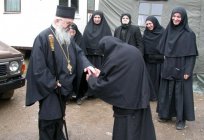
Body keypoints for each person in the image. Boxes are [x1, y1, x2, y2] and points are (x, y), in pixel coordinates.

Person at [25, 5, 95, 140]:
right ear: (57, 21)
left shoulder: (65, 36)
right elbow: (38, 67)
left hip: (63, 87)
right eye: (68, 23)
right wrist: (52, 83)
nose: (70, 27)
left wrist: (87, 66)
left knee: (59, 116)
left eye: (71, 24)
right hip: (50, 88)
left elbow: (78, 53)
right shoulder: (43, 37)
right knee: (49, 118)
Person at [86, 36, 156, 140]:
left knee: (126, 131)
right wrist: (101, 74)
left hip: (126, 104)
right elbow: (120, 75)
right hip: (141, 96)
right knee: (140, 129)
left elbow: (108, 84)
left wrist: (91, 79)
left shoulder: (114, 57)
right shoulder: (133, 50)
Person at [156, 7, 198, 130]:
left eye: (179, 17)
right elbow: (161, 48)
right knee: (166, 91)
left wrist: (188, 71)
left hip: (182, 67)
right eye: (174, 16)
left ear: (183, 18)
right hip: (168, 66)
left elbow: (191, 55)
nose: (176, 18)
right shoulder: (168, 31)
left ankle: (180, 119)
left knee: (180, 94)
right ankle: (165, 115)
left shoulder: (189, 34)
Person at [78, 10, 112, 103]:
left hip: (101, 56)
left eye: (98, 17)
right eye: (95, 17)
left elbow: (109, 42)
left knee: (100, 73)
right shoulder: (88, 28)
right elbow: (84, 41)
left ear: (101, 19)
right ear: (92, 18)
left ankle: (99, 92)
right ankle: (89, 92)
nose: (97, 19)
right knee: (90, 73)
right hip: (89, 56)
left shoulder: (106, 28)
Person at [143, 16, 165, 101]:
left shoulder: (162, 32)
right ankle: (150, 95)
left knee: (158, 79)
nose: (149, 25)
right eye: (147, 24)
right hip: (148, 60)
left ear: (155, 23)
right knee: (149, 79)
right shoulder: (146, 33)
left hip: (159, 61)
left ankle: (157, 96)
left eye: (150, 23)